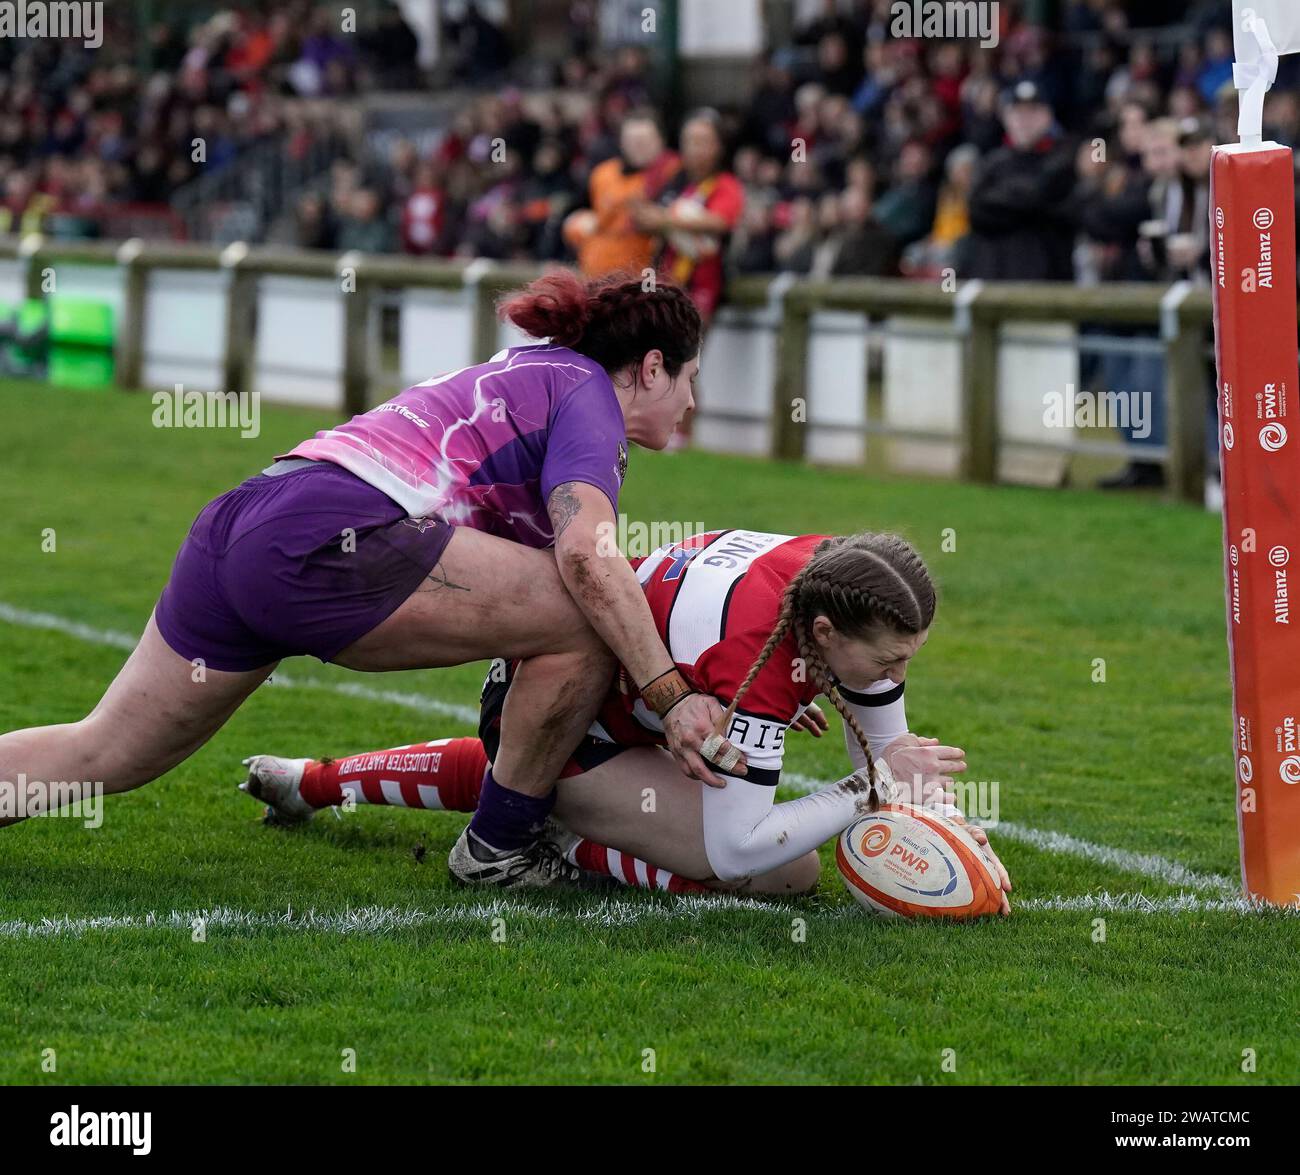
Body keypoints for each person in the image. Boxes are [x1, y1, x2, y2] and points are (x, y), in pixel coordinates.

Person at [0, 271, 744, 890]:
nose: (692, 402)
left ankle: (516, 817)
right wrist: (671, 696)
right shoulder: (588, 394)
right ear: (651, 367)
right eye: (689, 379)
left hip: (243, 519)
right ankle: (498, 847)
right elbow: (587, 557)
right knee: (588, 614)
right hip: (326, 538)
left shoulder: (529, 368)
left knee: (103, 751)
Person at [243, 529, 1011, 913]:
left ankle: (308, 781)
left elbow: (888, 737)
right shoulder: (756, 658)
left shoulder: (834, 579)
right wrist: (872, 790)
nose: (897, 676)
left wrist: (942, 822)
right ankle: (549, 826)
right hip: (564, 718)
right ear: (823, 636)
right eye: (890, 662)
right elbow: (740, 847)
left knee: (542, 766)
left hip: (591, 705)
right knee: (783, 872)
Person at [962, 80, 1076, 282]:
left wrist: (1002, 200)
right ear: (1006, 117)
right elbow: (975, 208)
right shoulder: (992, 161)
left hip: (1047, 278)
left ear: (1047, 116)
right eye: (1017, 112)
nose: (1024, 120)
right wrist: (1026, 202)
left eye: (1032, 112)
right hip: (993, 276)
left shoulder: (1064, 158)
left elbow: (1039, 194)